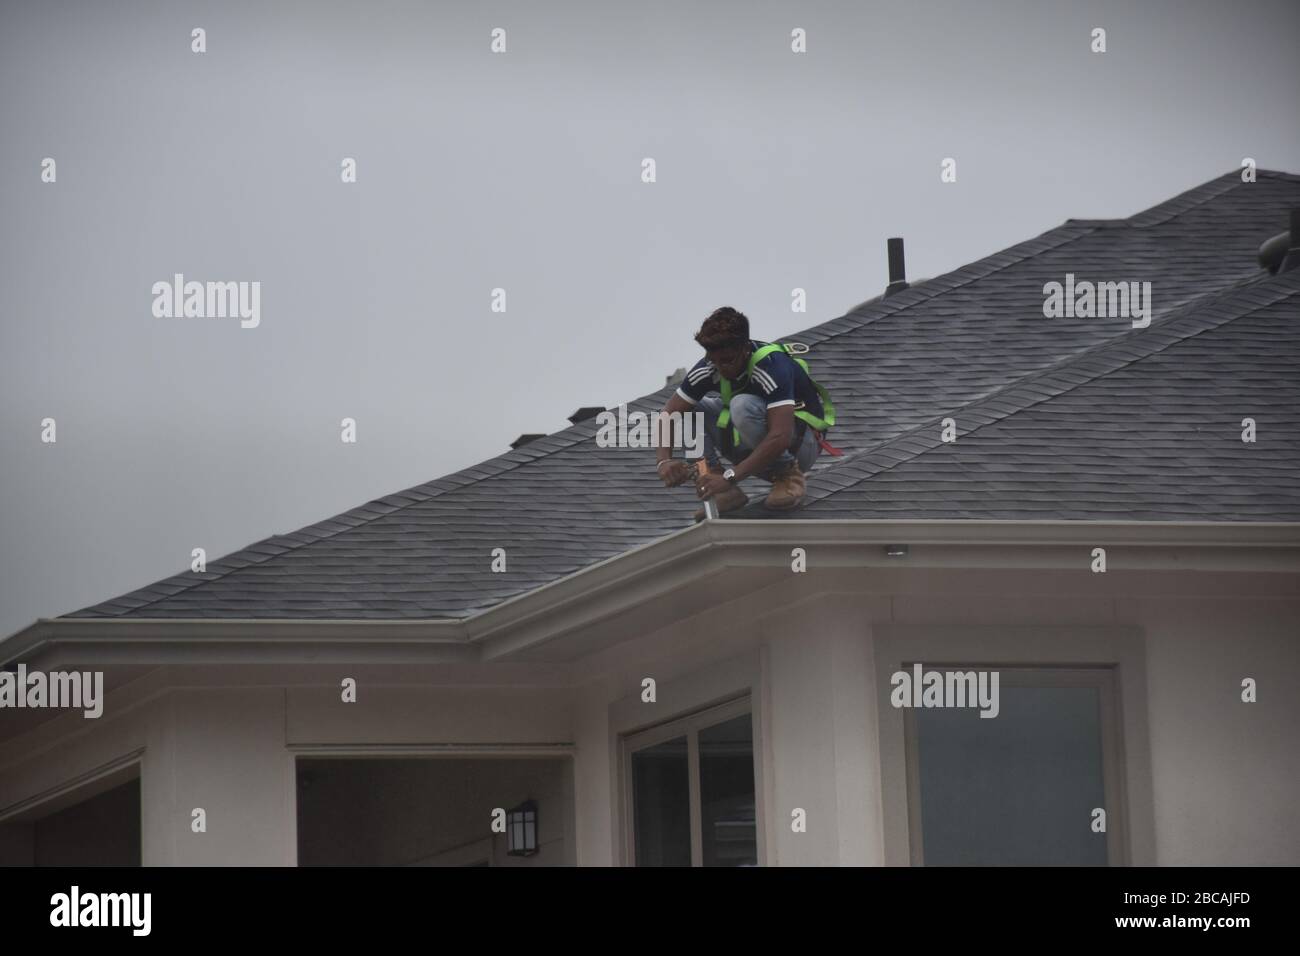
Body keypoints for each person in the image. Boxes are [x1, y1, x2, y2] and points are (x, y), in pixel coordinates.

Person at [655, 306, 834, 521]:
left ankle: (788, 476)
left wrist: (731, 477)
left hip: (799, 446)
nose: (721, 369)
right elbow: (668, 414)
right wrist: (664, 462)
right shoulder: (708, 368)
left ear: (745, 349)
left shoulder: (771, 367)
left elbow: (781, 435)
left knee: (741, 405)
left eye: (728, 360)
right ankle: (719, 487)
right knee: (690, 411)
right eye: (714, 360)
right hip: (757, 444)